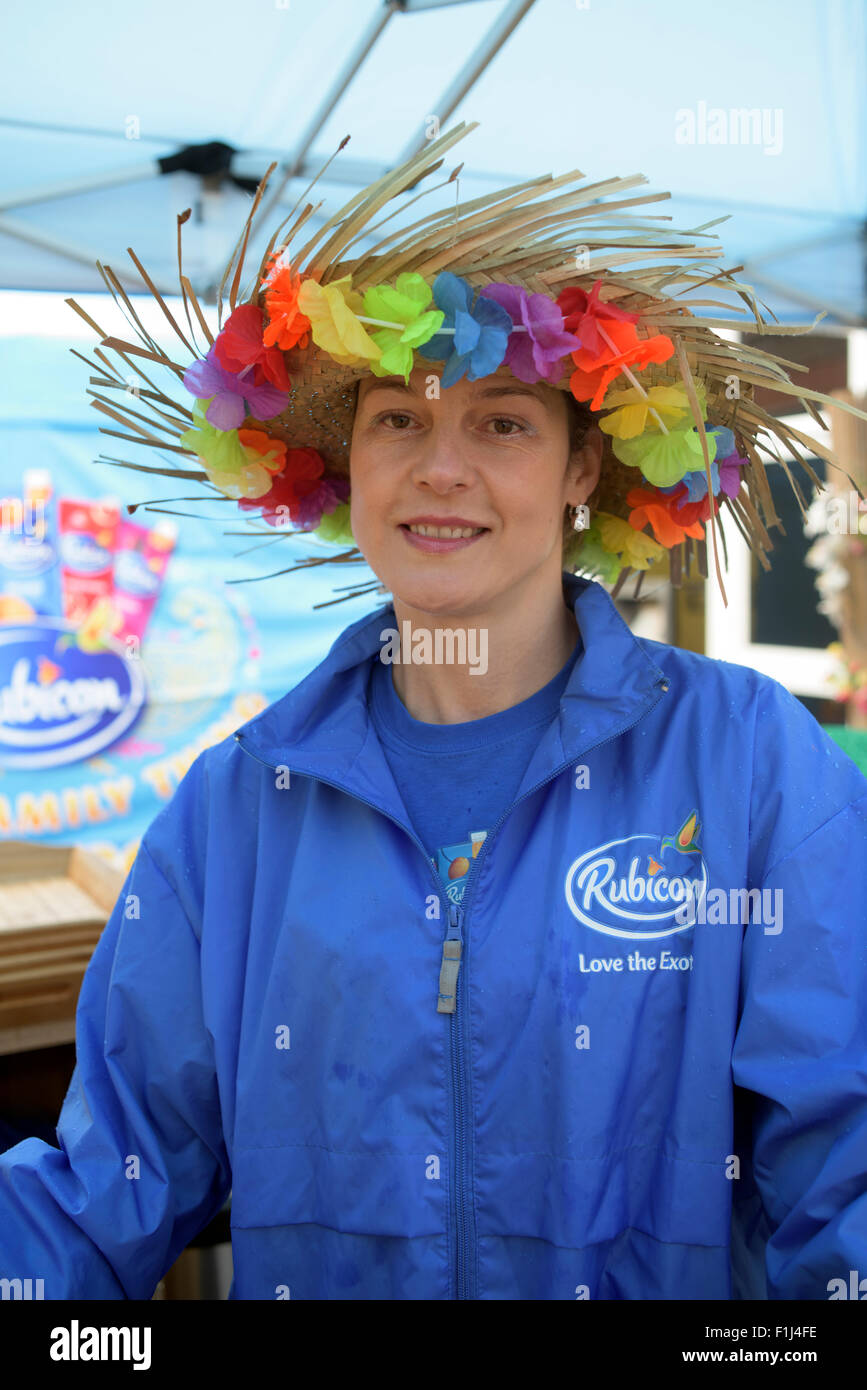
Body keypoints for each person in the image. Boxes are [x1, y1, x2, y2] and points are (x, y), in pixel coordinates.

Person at [2, 124, 867, 1300]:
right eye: (397, 420)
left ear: (580, 472)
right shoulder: (239, 806)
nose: (439, 466)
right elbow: (107, 1187)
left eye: (502, 421)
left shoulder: (752, 765)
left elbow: (845, 1172)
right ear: (348, 471)